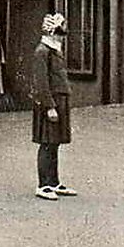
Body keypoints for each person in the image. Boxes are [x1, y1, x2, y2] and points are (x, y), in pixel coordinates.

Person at [29, 13, 78, 201]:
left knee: (54, 143)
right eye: (59, 32)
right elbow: (41, 82)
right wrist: (50, 106)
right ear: (51, 33)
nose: (61, 37)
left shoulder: (53, 50)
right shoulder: (42, 51)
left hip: (59, 100)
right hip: (50, 102)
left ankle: (54, 182)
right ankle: (43, 184)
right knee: (47, 143)